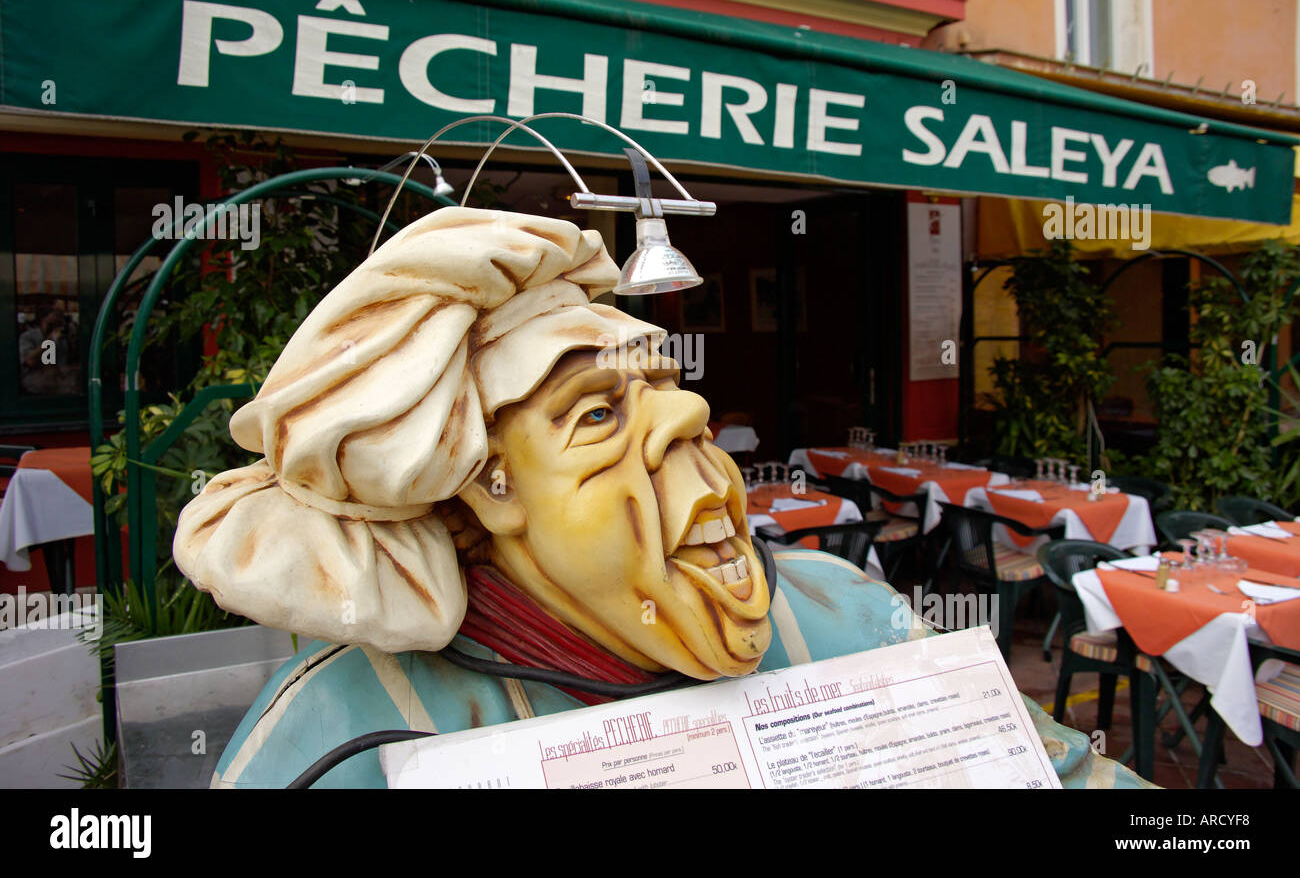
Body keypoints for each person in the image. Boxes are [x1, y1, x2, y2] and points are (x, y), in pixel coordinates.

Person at [175, 207, 1150, 789]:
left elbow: (1059, 773)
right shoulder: (345, 731)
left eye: (664, 386)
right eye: (596, 414)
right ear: (486, 484)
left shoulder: (844, 609)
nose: (682, 419)